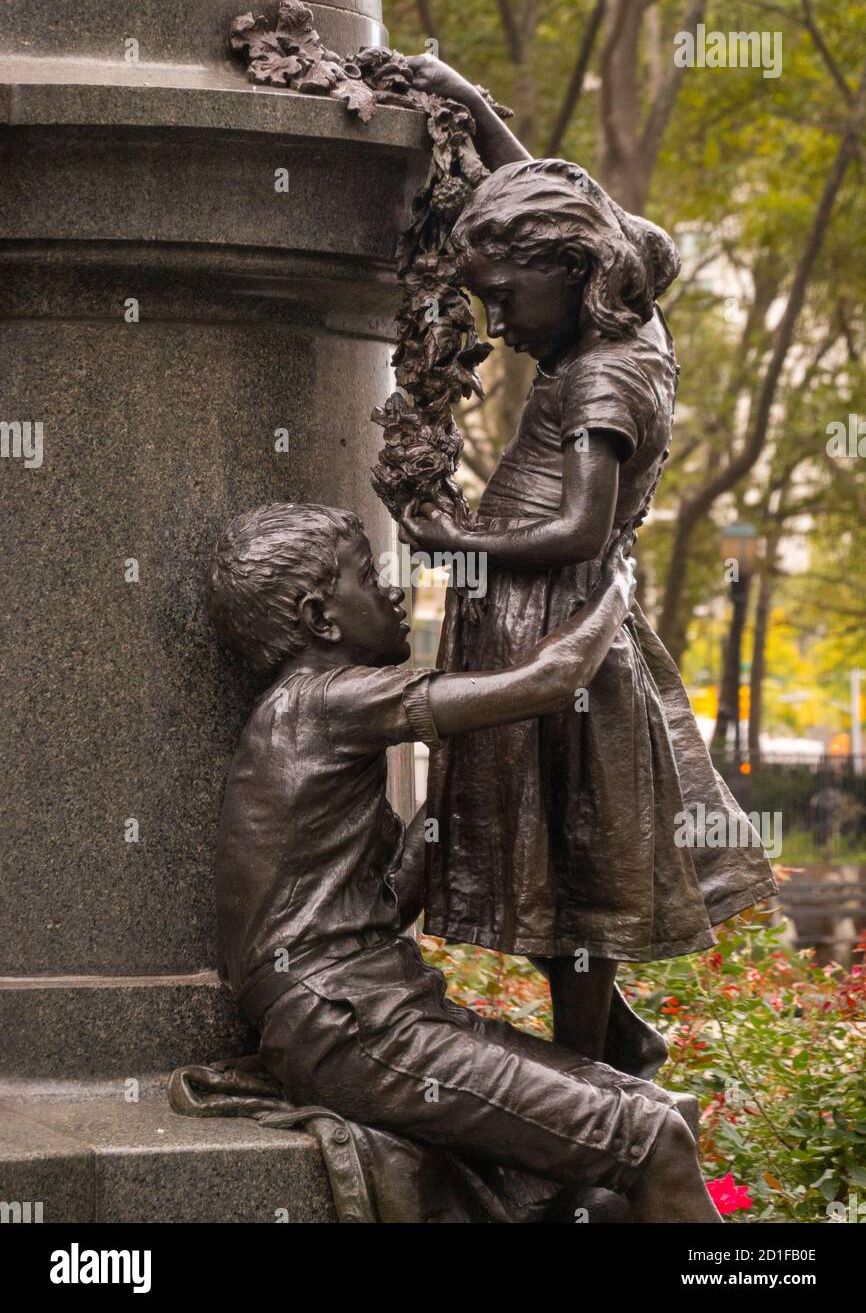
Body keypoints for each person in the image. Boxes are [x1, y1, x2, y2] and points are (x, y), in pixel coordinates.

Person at [399, 55, 778, 1059]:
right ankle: (616, 1048)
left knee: (569, 870)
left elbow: (578, 530)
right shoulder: (621, 302)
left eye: (502, 298)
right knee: (535, 856)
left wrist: (455, 540)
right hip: (532, 612)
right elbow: (562, 204)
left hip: (553, 619)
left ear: (568, 276)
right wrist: (471, 107)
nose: (496, 326)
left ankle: (584, 1077)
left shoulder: (604, 376)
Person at [207, 501, 720, 1222]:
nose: (394, 589)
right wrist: (614, 586)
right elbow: (548, 681)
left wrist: (470, 792)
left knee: (646, 1117)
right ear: (321, 618)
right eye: (370, 574)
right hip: (353, 1027)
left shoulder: (303, 719)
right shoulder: (325, 701)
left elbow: (392, 896)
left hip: (372, 1014)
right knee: (650, 1136)